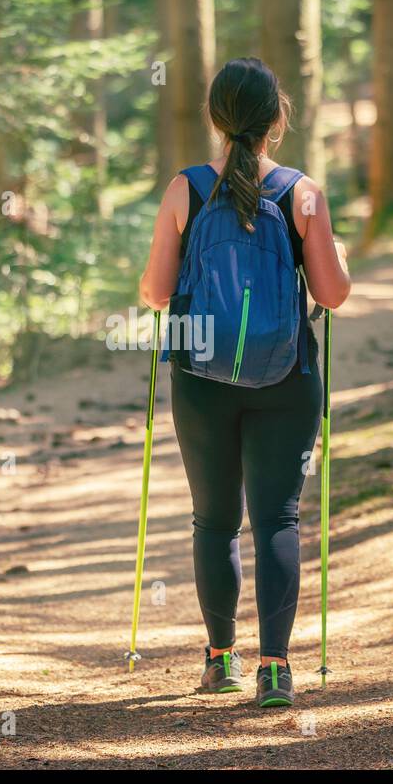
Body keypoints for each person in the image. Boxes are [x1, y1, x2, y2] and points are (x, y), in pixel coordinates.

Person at [139, 57, 351, 707]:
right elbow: (332, 295)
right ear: (276, 119)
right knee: (277, 518)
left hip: (200, 377)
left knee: (215, 520)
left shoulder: (186, 189)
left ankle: (219, 660)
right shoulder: (301, 192)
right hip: (285, 377)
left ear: (217, 119)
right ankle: (277, 668)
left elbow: (154, 292)